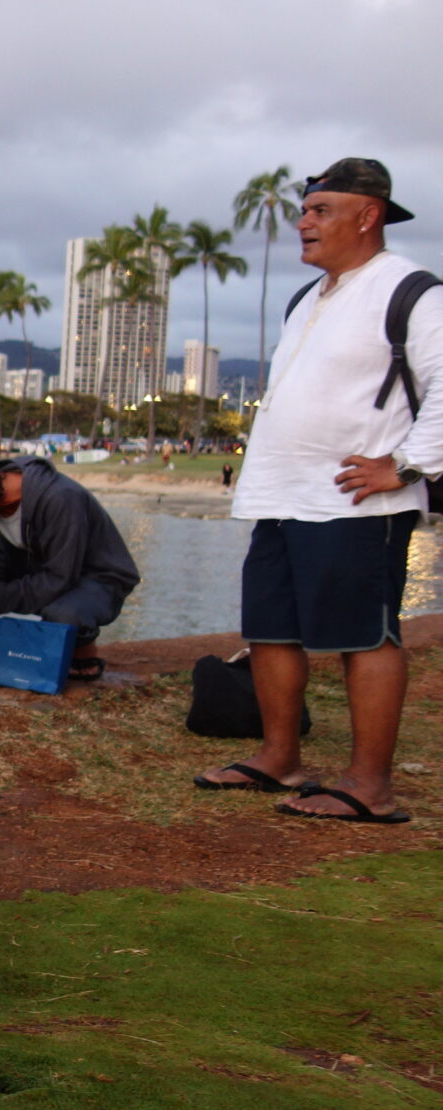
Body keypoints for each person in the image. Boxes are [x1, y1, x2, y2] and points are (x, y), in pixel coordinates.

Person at [194, 158, 441, 822]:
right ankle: (279, 757)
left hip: (357, 502)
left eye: (320, 210)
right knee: (270, 629)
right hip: (280, 494)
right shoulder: (307, 298)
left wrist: (408, 464)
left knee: (366, 637)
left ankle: (370, 786)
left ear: (369, 215)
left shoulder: (411, 291)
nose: (304, 222)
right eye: (304, 210)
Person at [0, 453, 140, 680]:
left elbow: (59, 578)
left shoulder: (60, 498)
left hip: (97, 576)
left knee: (63, 613)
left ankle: (83, 650)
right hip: (44, 567)